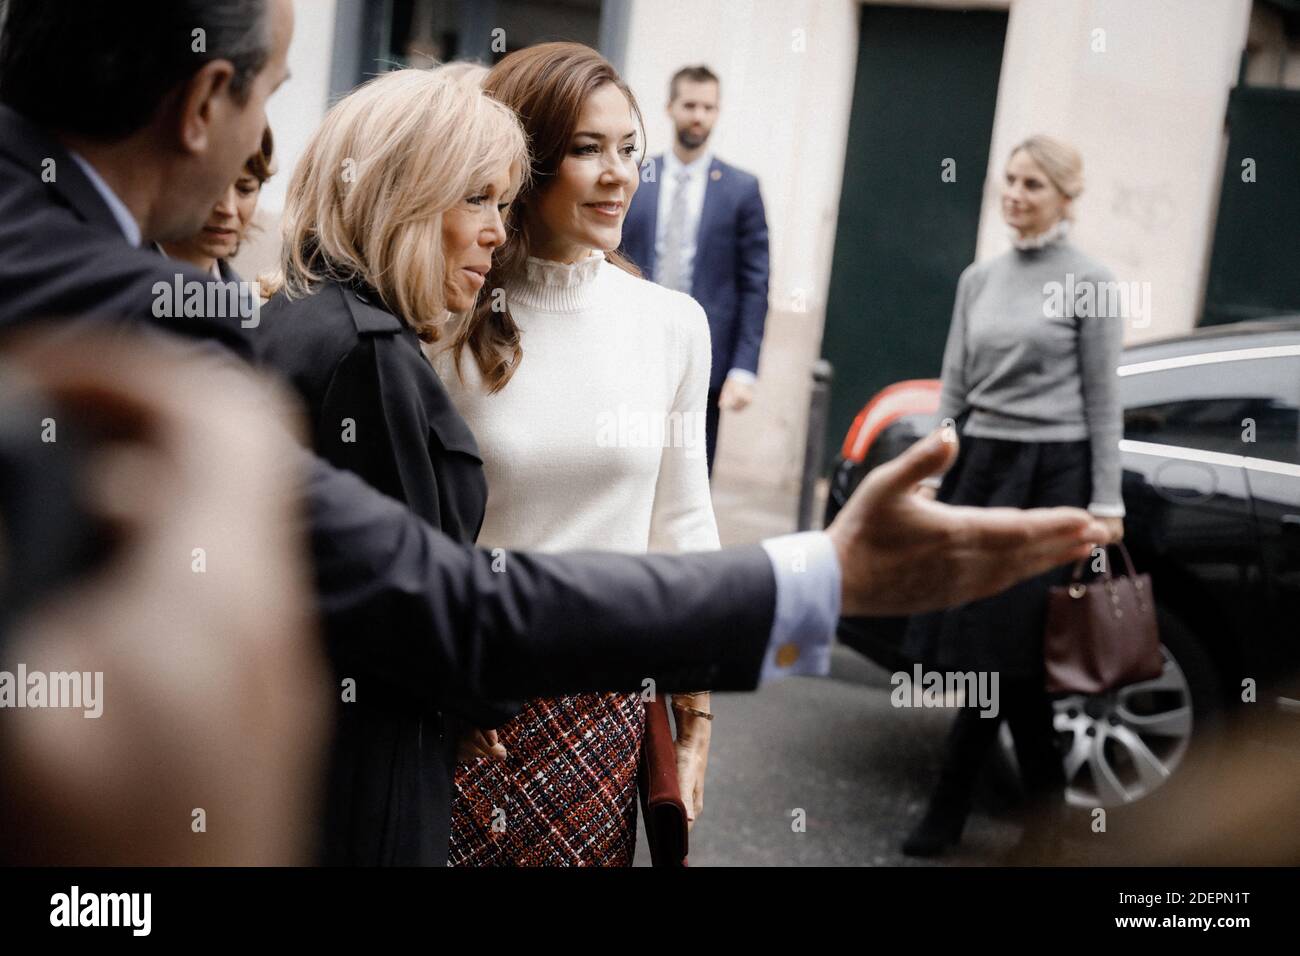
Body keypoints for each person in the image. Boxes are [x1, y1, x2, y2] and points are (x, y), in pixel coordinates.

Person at [0, 0, 1108, 864]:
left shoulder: (639, 321)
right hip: (452, 721)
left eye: (631, 147)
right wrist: (826, 575)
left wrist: (689, 704)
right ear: (203, 102)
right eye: (572, 155)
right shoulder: (349, 335)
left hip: (578, 703)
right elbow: (438, 598)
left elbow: (668, 517)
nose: (266, 155)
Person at [435, 42, 716, 865]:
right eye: (588, 150)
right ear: (526, 163)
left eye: (630, 149)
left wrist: (696, 722)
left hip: (602, 716)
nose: (619, 174)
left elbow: (685, 526)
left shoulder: (672, 324)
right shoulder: (446, 315)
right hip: (466, 698)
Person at [255, 67, 530, 865]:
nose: (498, 234)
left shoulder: (303, 317)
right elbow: (423, 607)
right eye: (475, 198)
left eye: (504, 204)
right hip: (362, 777)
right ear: (399, 194)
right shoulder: (369, 354)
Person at [900, 135, 1126, 860]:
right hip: (983, 471)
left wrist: (1107, 503)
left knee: (1008, 651)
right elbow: (955, 390)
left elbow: (1104, 404)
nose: (1015, 195)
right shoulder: (979, 279)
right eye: (1011, 181)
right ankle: (1049, 816)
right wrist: (933, 468)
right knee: (1004, 657)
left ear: (1065, 196)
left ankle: (949, 811)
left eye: (1032, 184)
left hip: (1051, 476)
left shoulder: (1091, 281)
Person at [620, 65, 768, 475]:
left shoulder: (742, 189)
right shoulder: (636, 176)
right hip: (634, 349)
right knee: (629, 468)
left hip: (705, 359)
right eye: (689, 105)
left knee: (691, 475)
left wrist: (743, 368)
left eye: (708, 107)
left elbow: (755, 284)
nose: (698, 116)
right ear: (670, 108)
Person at [161, 125, 275, 283]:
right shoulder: (123, 287)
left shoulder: (241, 301)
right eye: (210, 186)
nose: (228, 209)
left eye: (245, 189)